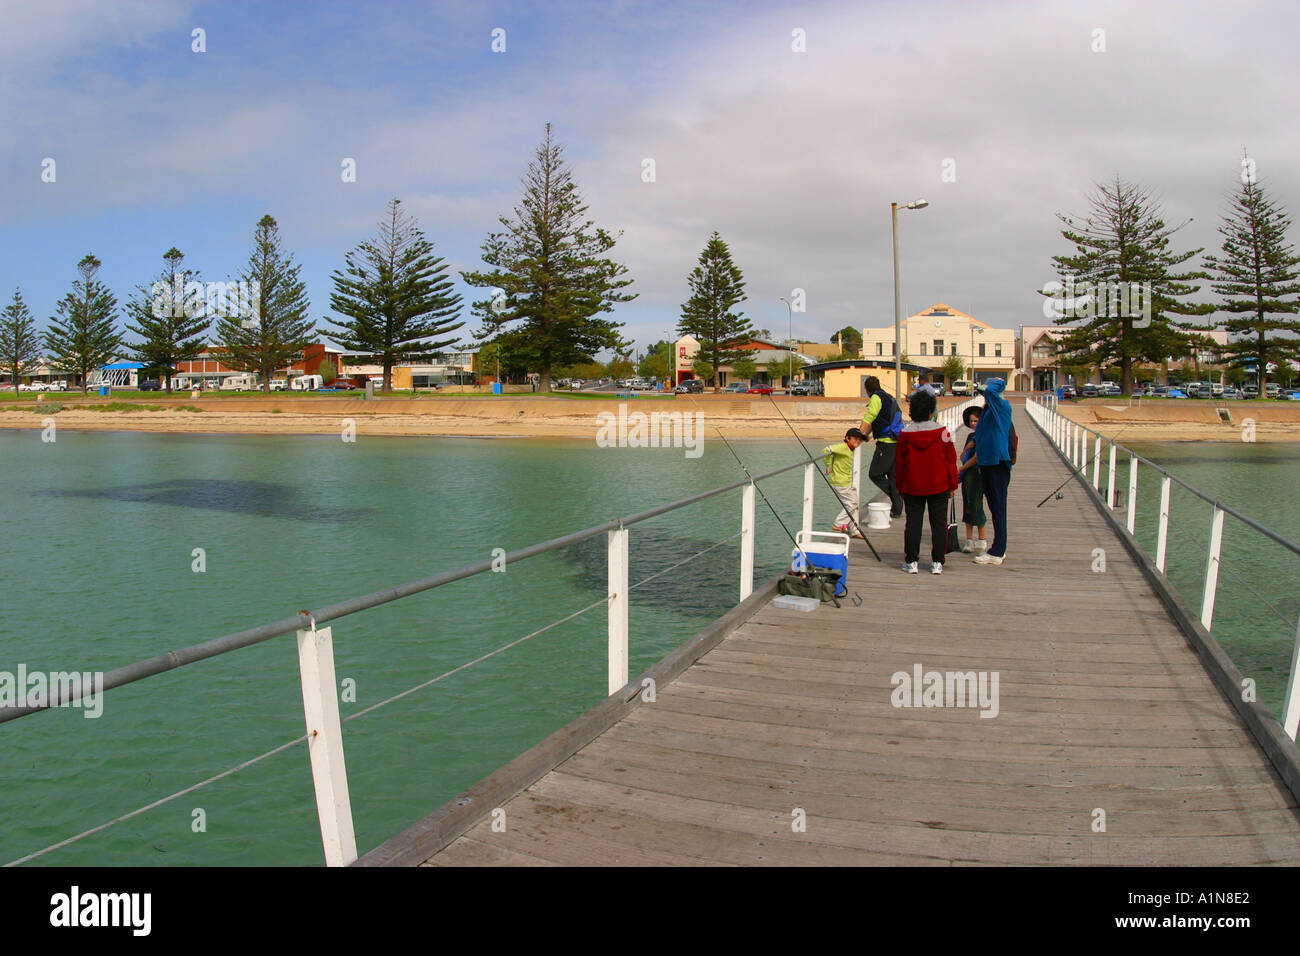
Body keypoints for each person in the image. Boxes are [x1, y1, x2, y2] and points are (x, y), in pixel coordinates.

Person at [896, 390, 958, 574]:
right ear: (932, 412)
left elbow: (899, 465)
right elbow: (950, 460)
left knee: (913, 524)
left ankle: (911, 561)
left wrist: (900, 487)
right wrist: (953, 483)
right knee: (939, 523)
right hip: (939, 485)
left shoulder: (904, 435)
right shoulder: (943, 432)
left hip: (912, 485)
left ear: (912, 411)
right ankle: (937, 562)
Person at [970, 378, 1013, 565]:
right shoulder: (988, 409)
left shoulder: (1002, 407)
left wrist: (994, 384)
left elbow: (993, 392)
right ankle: (998, 548)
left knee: (998, 508)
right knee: (995, 508)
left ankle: (998, 551)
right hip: (987, 464)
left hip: (997, 463)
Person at [859, 375, 904, 517]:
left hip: (886, 443)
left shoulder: (876, 398)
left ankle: (897, 498)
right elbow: (879, 421)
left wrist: (857, 435)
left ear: (867, 390)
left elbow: (870, 417)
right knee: (893, 477)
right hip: (897, 441)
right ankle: (896, 510)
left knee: (875, 473)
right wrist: (865, 434)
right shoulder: (889, 398)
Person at [955, 405, 988, 553]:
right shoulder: (970, 437)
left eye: (976, 420)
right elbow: (962, 457)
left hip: (978, 474)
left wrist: (960, 469)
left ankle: (982, 539)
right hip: (967, 475)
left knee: (977, 504)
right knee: (967, 504)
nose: (974, 423)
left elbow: (977, 458)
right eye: (971, 421)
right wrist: (968, 447)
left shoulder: (984, 436)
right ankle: (969, 540)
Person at [822, 428, 866, 535]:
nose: (858, 441)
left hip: (846, 482)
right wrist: (828, 466)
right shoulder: (843, 447)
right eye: (855, 439)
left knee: (854, 505)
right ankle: (838, 524)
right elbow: (826, 450)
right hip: (840, 482)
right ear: (847, 438)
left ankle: (854, 530)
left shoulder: (850, 448)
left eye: (860, 440)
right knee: (851, 505)